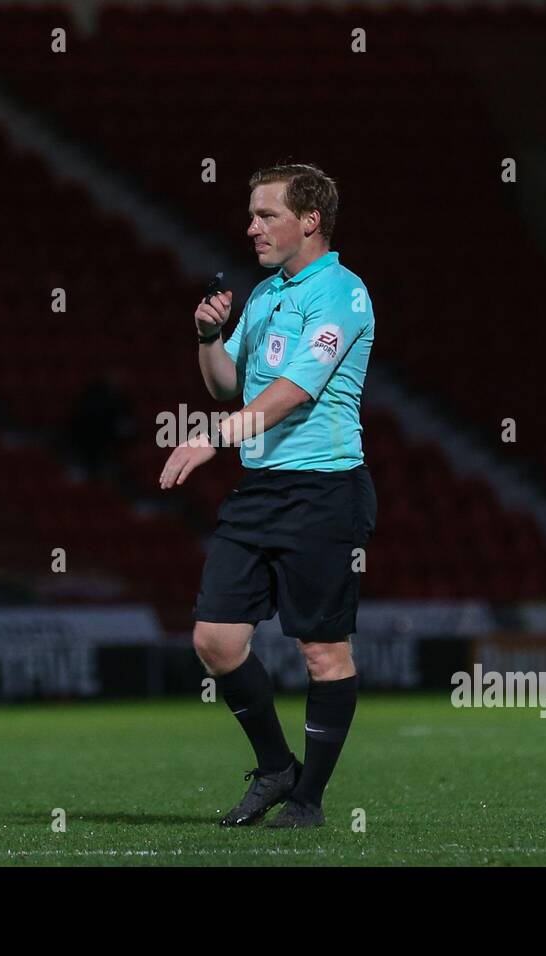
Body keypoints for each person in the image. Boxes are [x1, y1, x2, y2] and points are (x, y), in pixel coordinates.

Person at [158, 163, 377, 828]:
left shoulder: (343, 293)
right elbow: (228, 385)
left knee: (322, 652)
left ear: (309, 220)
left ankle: (307, 800)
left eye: (266, 215)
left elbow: (293, 392)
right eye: (251, 215)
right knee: (215, 640)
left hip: (323, 490)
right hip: (260, 491)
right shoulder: (265, 294)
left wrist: (211, 439)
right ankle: (278, 767)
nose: (251, 227)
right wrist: (208, 339)